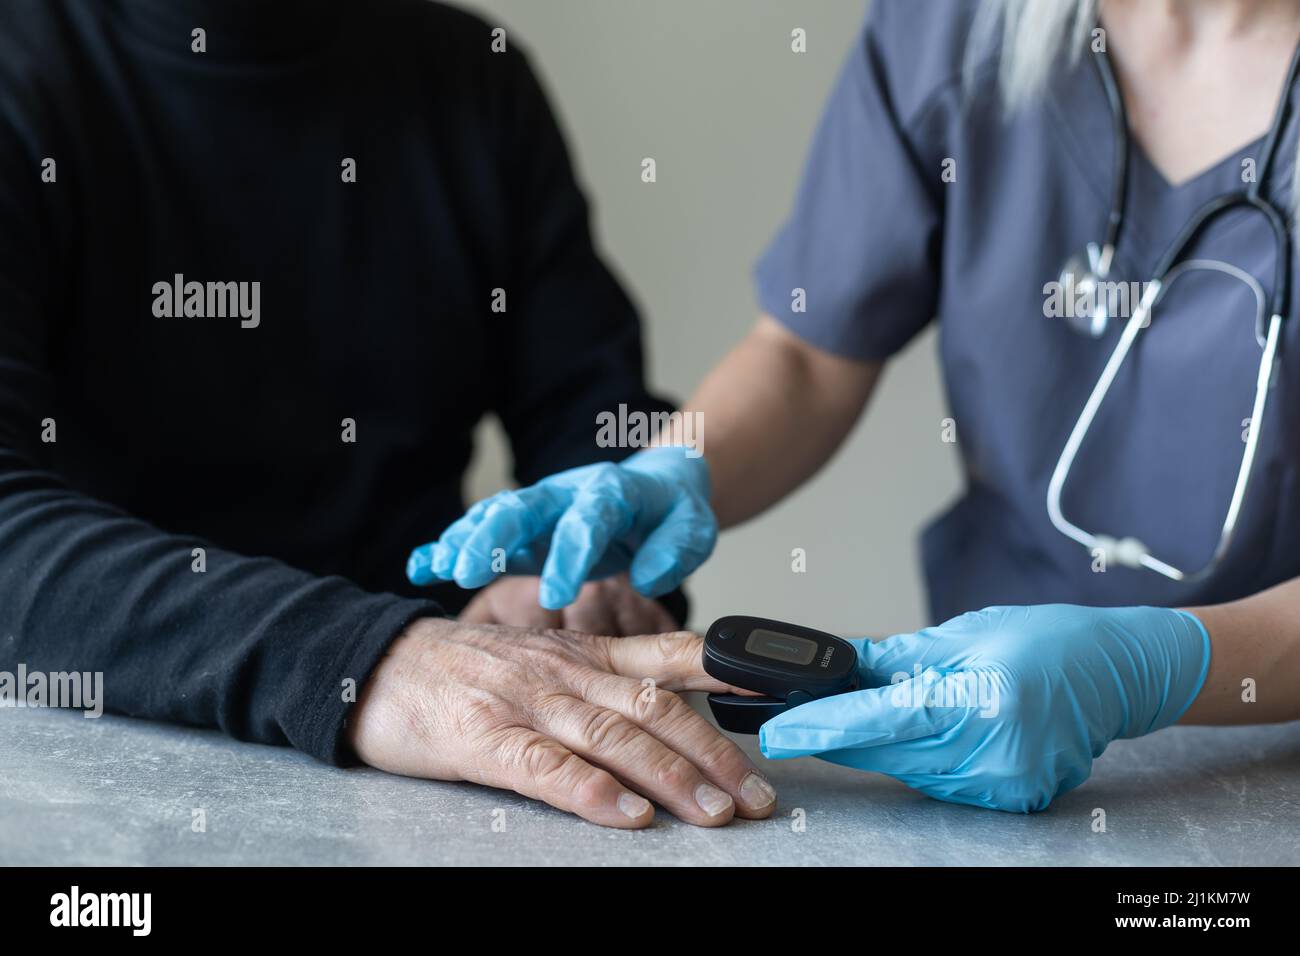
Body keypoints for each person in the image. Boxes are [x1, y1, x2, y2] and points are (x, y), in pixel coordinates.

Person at [417, 0, 1300, 812]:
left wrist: (1163, 670)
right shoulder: (950, 29)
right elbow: (807, 355)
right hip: (976, 740)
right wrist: (679, 469)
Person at [0, 0, 779, 829]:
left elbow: (589, 417)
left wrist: (569, 573)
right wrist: (361, 657)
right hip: (95, 752)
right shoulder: (25, 71)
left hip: (438, 748)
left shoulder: (469, 72)